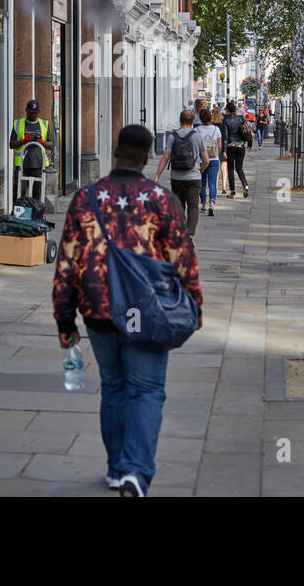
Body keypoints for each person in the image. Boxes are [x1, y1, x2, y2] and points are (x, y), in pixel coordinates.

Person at [52, 125, 203, 497]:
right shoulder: (161, 200)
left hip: (99, 310)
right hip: (147, 312)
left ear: (116, 150)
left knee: (114, 388)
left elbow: (67, 262)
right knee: (147, 391)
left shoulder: (86, 198)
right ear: (148, 156)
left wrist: (64, 318)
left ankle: (118, 468)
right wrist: (193, 304)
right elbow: (182, 259)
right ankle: (136, 470)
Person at [154, 109, 209, 236]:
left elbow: (165, 157)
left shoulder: (173, 136)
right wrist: (199, 171)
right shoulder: (197, 136)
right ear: (193, 122)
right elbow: (206, 160)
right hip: (194, 177)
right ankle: (190, 235)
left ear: (179, 120)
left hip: (176, 177)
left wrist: (157, 175)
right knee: (193, 207)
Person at [10, 98, 53, 201]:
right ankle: (18, 214)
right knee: (19, 193)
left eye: (35, 113)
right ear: (26, 111)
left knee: (37, 194)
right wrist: (23, 141)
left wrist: (42, 142)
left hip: (39, 164)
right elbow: (11, 144)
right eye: (30, 113)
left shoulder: (44, 124)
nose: (33, 115)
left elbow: (51, 146)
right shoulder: (18, 124)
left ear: (38, 112)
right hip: (22, 165)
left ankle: (36, 215)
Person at [195, 108, 222, 217]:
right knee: (212, 182)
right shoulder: (216, 129)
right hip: (214, 159)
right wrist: (215, 154)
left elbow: (195, 146)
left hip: (201, 160)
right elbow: (220, 146)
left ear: (200, 118)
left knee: (202, 183)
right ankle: (212, 202)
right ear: (211, 118)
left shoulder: (197, 130)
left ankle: (204, 204)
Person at [222, 101, 252, 198]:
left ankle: (232, 191)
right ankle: (245, 184)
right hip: (241, 145)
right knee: (239, 167)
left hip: (231, 145)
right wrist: (249, 144)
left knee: (230, 168)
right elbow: (247, 131)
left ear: (227, 110)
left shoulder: (226, 120)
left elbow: (225, 137)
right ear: (235, 110)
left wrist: (224, 150)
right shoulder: (241, 118)